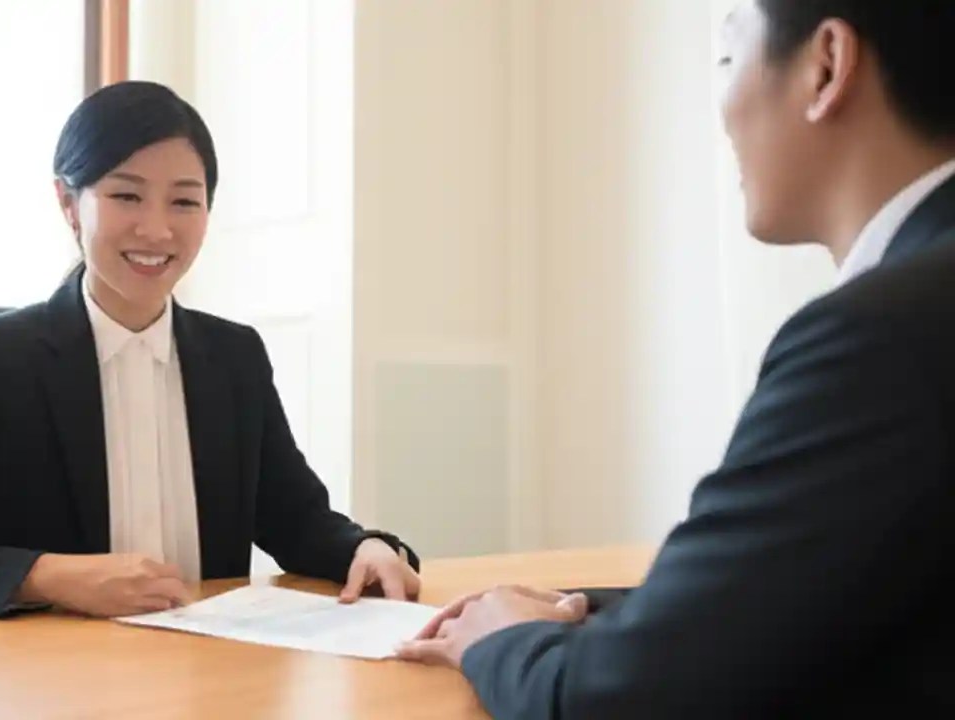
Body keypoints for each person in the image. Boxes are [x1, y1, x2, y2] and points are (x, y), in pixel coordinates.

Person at [398, 0, 955, 716]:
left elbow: (623, 703)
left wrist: (499, 639)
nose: (720, 114)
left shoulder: (876, 338)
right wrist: (601, 610)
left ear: (825, 66)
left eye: (728, 58)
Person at [0, 80, 420, 619]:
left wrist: (364, 548)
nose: (156, 230)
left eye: (184, 202)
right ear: (69, 204)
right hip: (53, 680)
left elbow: (296, 521)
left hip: (207, 674)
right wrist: (48, 576)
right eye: (126, 195)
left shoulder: (234, 357)